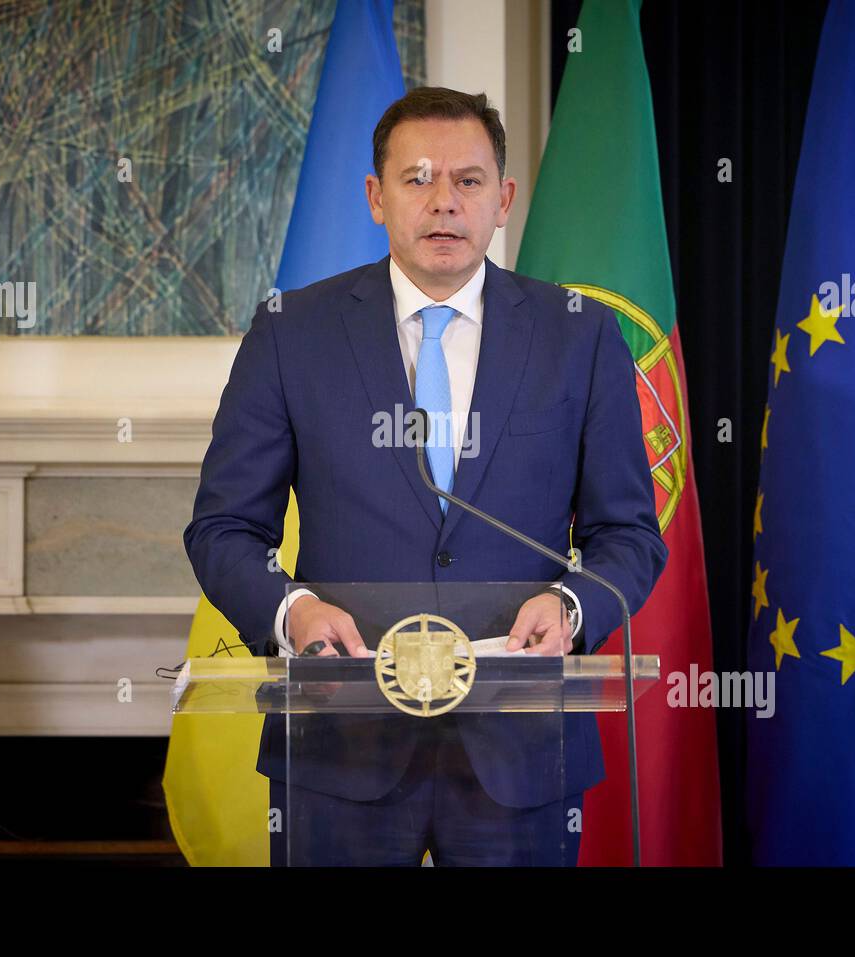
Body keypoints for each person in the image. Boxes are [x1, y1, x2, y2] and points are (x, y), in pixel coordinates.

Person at [184, 86, 667, 865]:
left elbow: (629, 534)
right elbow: (223, 529)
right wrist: (291, 611)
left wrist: (572, 605)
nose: (444, 202)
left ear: (503, 199)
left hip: (519, 749)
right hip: (342, 747)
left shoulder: (578, 335)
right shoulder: (290, 333)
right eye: (417, 179)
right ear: (376, 197)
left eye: (469, 181)